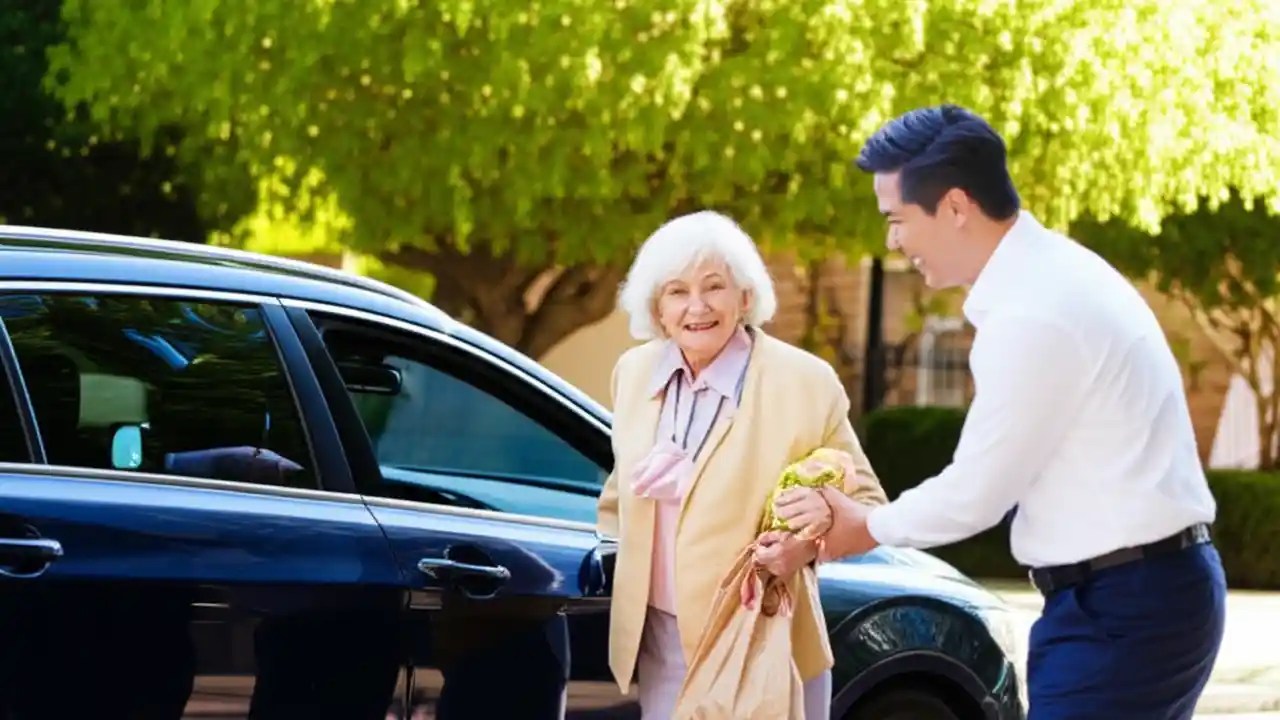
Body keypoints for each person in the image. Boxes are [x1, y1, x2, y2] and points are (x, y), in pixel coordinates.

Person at [775, 104, 1227, 719]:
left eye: (897, 219)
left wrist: (861, 527)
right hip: (1134, 596)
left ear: (956, 207)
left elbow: (977, 492)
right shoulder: (1050, 279)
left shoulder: (1033, 313)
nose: (893, 240)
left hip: (1125, 608)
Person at [595, 210, 888, 720]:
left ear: (746, 297)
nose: (697, 307)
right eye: (677, 291)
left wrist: (807, 541)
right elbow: (619, 497)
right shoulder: (634, 373)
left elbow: (868, 507)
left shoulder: (804, 381)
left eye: (715, 287)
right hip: (663, 642)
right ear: (657, 308)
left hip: (761, 640)